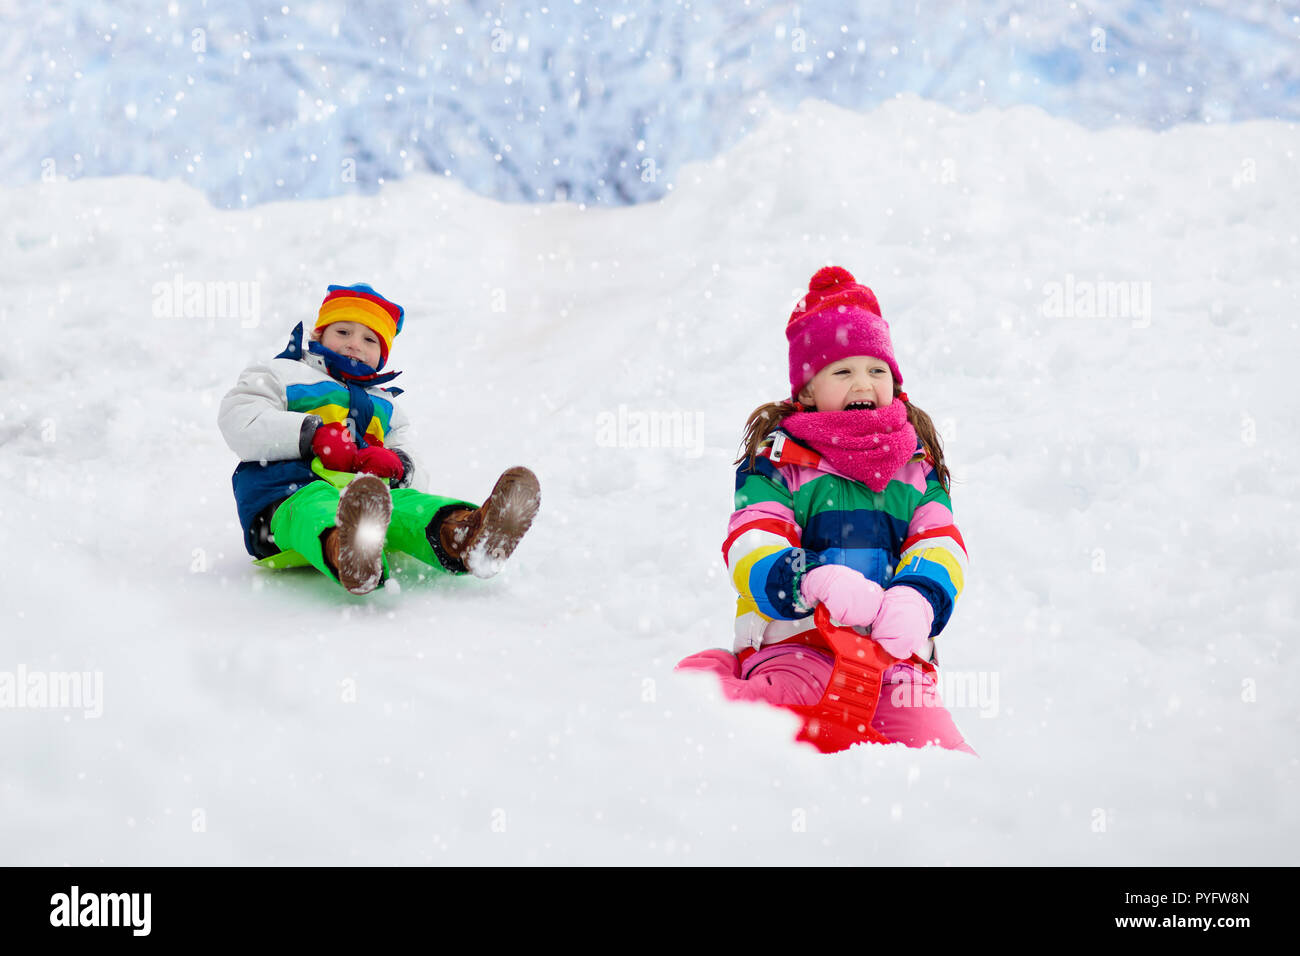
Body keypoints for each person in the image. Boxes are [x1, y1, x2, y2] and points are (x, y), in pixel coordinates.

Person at [678, 267, 974, 754]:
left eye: (877, 370)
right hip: (800, 646)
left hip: (892, 658)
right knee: (766, 734)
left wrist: (919, 596)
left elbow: (941, 541)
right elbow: (753, 540)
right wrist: (811, 580)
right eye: (843, 371)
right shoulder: (777, 463)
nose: (864, 382)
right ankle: (706, 688)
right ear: (807, 391)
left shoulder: (916, 463)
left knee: (936, 756)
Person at [218, 282, 540, 594]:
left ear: (382, 356)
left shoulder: (386, 406)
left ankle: (466, 537)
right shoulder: (282, 374)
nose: (354, 344)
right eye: (343, 332)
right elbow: (239, 418)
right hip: (282, 502)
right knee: (313, 505)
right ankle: (347, 550)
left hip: (368, 504)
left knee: (407, 506)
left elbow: (411, 457)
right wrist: (311, 435)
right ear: (319, 334)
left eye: (370, 340)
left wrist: (400, 466)